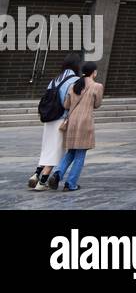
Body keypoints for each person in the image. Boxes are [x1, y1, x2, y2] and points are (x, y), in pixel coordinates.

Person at [47, 61, 103, 192]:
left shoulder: (74, 85)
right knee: (80, 154)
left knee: (71, 151)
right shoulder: (97, 86)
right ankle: (70, 184)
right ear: (93, 72)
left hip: (71, 122)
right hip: (85, 123)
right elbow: (97, 104)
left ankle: (57, 174)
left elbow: (66, 105)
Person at [30, 53, 82, 191]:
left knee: (47, 148)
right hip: (62, 119)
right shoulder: (76, 80)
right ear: (77, 65)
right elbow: (72, 102)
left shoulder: (54, 80)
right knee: (56, 150)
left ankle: (36, 174)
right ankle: (42, 182)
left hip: (49, 118)